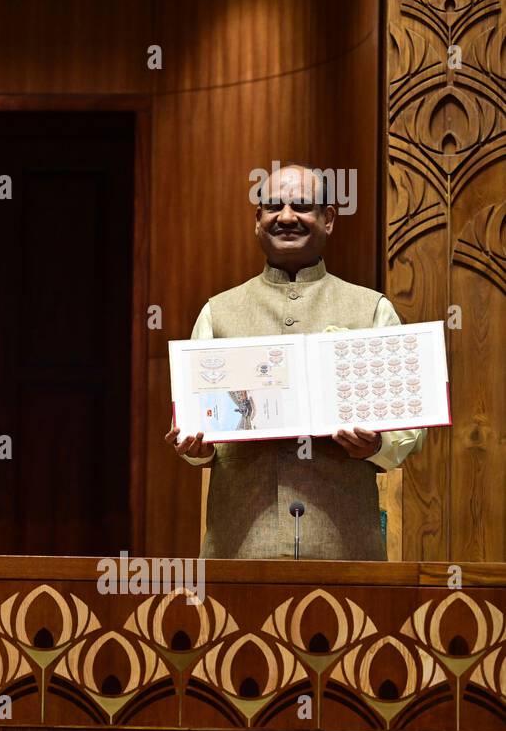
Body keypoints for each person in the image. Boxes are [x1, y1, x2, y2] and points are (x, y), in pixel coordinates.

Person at [165, 163, 424, 560]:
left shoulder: (371, 309)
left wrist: (374, 445)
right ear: (258, 220)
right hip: (240, 549)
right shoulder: (218, 312)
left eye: (302, 206)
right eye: (273, 207)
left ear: (329, 219)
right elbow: (195, 431)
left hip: (344, 548)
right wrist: (195, 449)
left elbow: (408, 432)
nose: (286, 217)